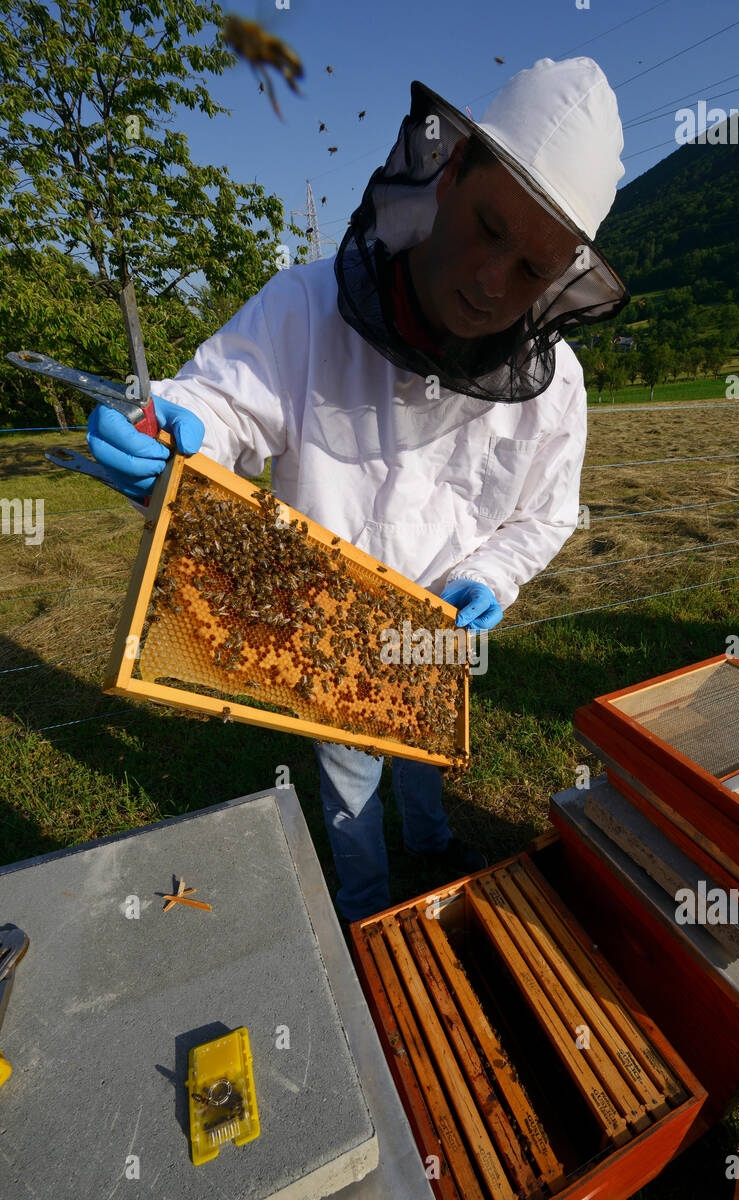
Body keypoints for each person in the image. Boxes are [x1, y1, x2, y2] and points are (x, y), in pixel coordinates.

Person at [87, 56, 629, 924]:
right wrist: (170, 421)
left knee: (424, 754)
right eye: (489, 228)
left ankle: (429, 841)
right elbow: (221, 400)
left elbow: (544, 514)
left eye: (531, 269)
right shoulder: (305, 310)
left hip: (437, 631)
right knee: (347, 779)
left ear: (563, 277)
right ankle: (367, 906)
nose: (494, 281)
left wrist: (490, 578)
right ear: (448, 174)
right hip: (324, 619)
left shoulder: (554, 387)